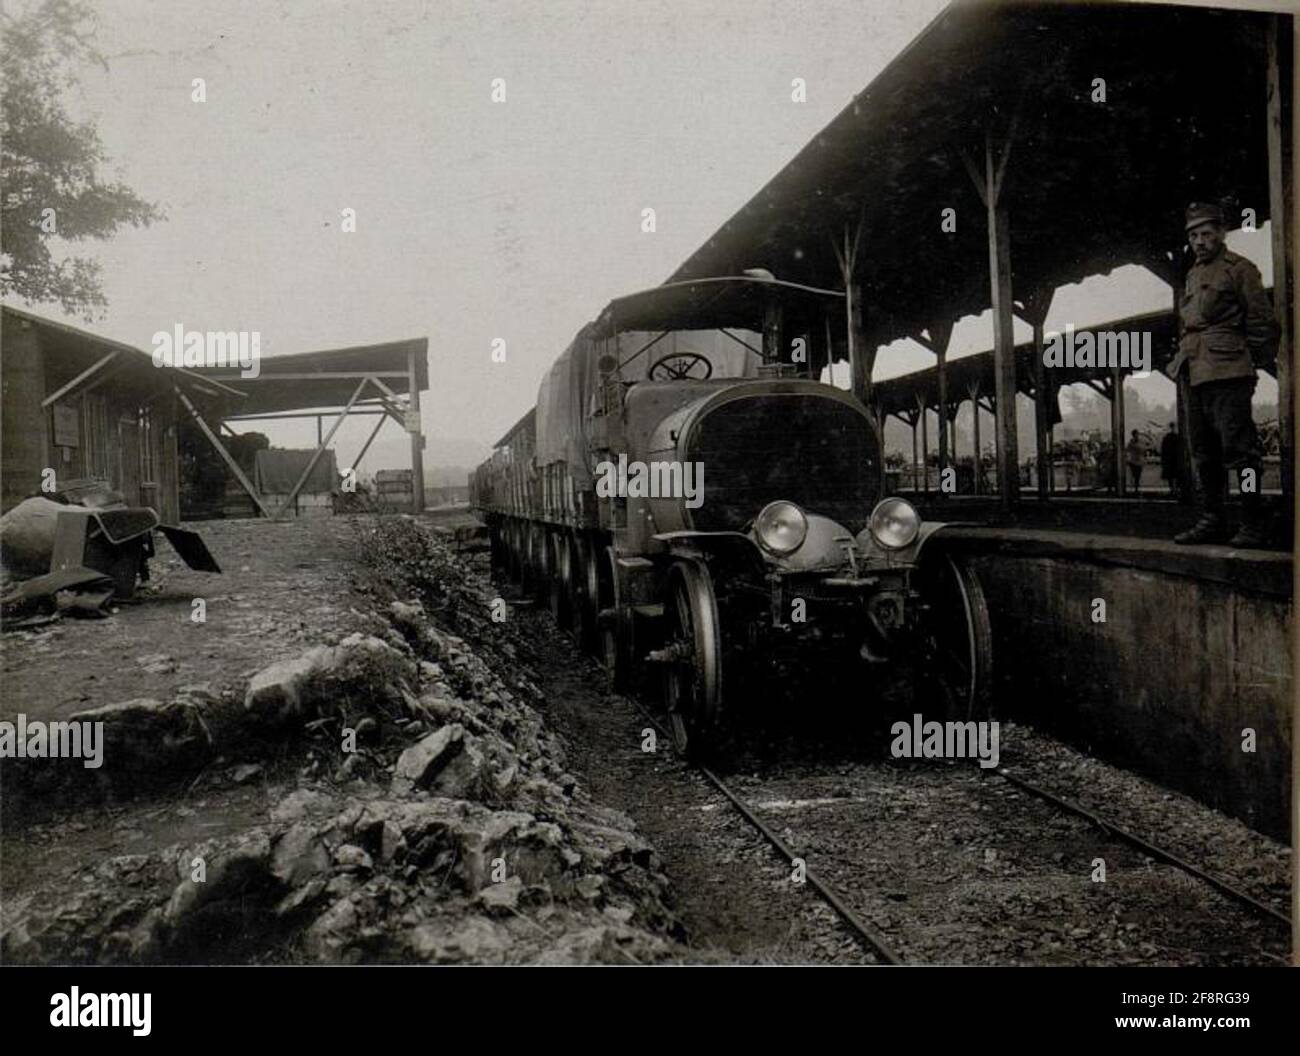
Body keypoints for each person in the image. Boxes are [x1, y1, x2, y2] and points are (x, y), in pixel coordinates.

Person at [1167, 202, 1277, 548]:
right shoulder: (1193, 274)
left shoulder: (1240, 269)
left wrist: (1246, 364)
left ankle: (1251, 520)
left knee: (1241, 452)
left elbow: (1262, 323)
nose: (1199, 241)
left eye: (1205, 233)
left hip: (1229, 372)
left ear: (1221, 233)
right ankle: (1212, 518)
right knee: (1203, 452)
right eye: (1193, 236)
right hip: (1194, 370)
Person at [1160, 422, 1185, 500]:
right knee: (1175, 476)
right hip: (1176, 460)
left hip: (1169, 460)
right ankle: (1175, 491)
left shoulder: (1166, 438)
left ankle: (1173, 491)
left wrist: (1163, 460)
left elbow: (1163, 450)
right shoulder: (1178, 438)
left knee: (1171, 477)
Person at [1124, 429, 1146, 496]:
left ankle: (1136, 487)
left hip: (1137, 461)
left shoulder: (1134, 442)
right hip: (1134, 461)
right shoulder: (1132, 443)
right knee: (1135, 475)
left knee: (1137, 475)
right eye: (1136, 434)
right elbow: (1128, 450)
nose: (1137, 436)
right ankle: (1135, 487)